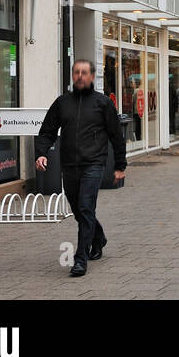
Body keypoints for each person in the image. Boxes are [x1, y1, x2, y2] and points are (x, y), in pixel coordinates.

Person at [35, 59, 126, 278]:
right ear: (72, 76)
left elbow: (116, 135)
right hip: (69, 165)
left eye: (84, 73)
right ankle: (99, 236)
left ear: (92, 76)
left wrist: (120, 165)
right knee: (78, 210)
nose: (80, 76)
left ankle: (80, 259)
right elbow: (47, 130)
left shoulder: (102, 103)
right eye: (77, 72)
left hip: (94, 164)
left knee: (86, 208)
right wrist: (41, 153)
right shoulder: (62, 103)